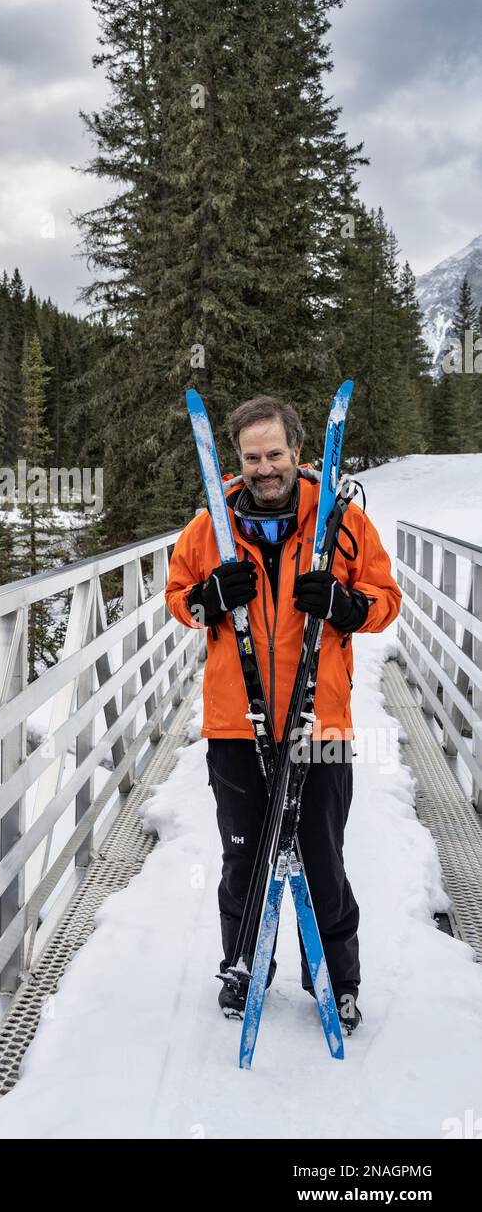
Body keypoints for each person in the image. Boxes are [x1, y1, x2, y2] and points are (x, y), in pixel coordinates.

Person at [165, 394, 401, 1033]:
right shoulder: (209, 528)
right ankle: (244, 968)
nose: (264, 468)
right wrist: (208, 599)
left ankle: (336, 979)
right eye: (251, 457)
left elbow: (386, 599)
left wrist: (348, 606)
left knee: (321, 854)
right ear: (236, 461)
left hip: (317, 721)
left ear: (297, 453)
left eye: (275, 455)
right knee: (245, 853)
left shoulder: (339, 521)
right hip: (235, 723)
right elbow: (176, 598)